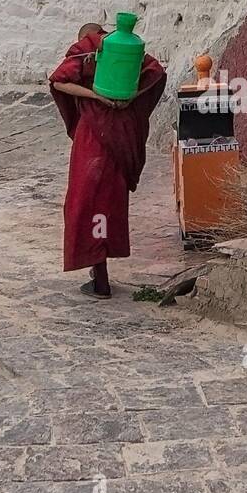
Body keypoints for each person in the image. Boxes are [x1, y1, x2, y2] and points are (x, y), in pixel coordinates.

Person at [49, 22, 166, 299]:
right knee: (107, 203)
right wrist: (129, 98)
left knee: (85, 203)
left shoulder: (85, 49)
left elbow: (58, 81)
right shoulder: (131, 49)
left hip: (92, 137)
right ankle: (100, 273)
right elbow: (157, 74)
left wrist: (95, 95)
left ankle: (100, 278)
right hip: (120, 137)